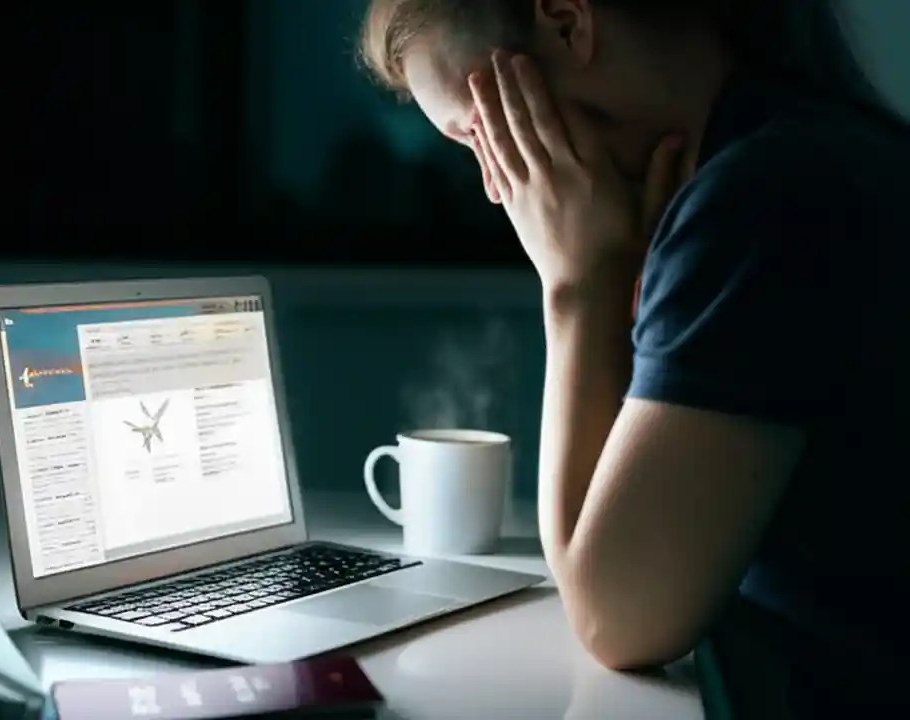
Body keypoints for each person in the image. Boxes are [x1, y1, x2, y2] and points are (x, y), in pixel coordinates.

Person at [359, 0, 908, 714]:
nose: (497, 188)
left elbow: (616, 618)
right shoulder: (814, 149)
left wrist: (576, 286)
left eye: (481, 133)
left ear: (567, 24)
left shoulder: (762, 200)